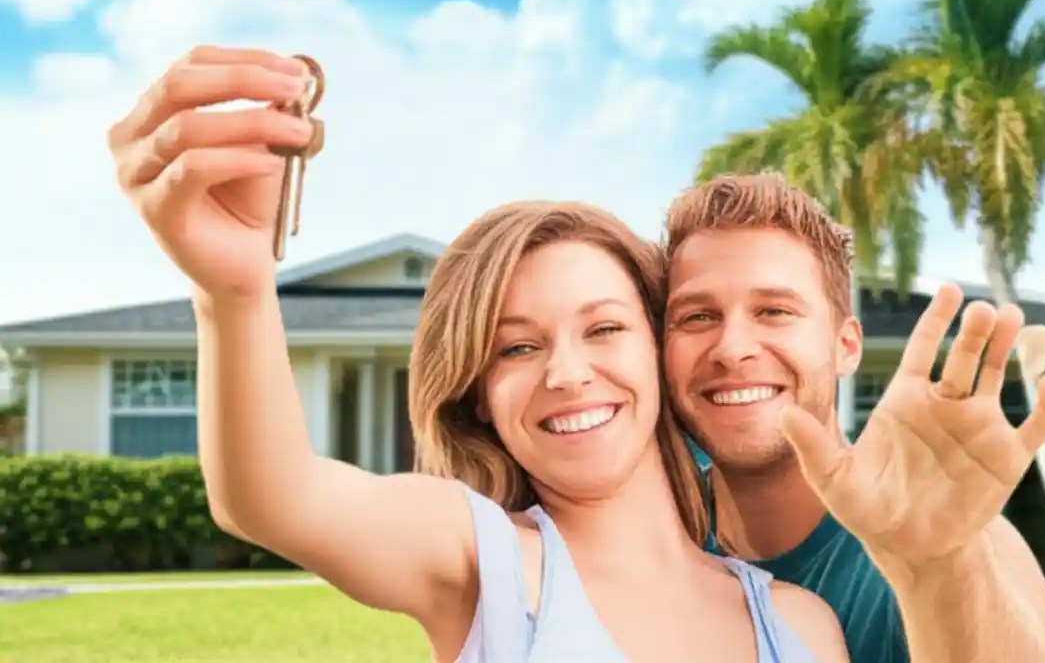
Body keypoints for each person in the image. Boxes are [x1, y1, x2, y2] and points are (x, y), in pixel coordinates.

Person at [104, 46, 849, 662]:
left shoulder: (802, 625)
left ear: (659, 351)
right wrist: (233, 294)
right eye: (517, 348)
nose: (566, 372)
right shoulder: (480, 558)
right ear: (479, 401)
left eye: (603, 329)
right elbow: (273, 497)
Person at [661, 173, 1045, 663]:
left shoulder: (949, 535)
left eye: (773, 311)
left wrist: (935, 567)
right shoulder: (646, 536)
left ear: (846, 346)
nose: (732, 349)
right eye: (697, 317)